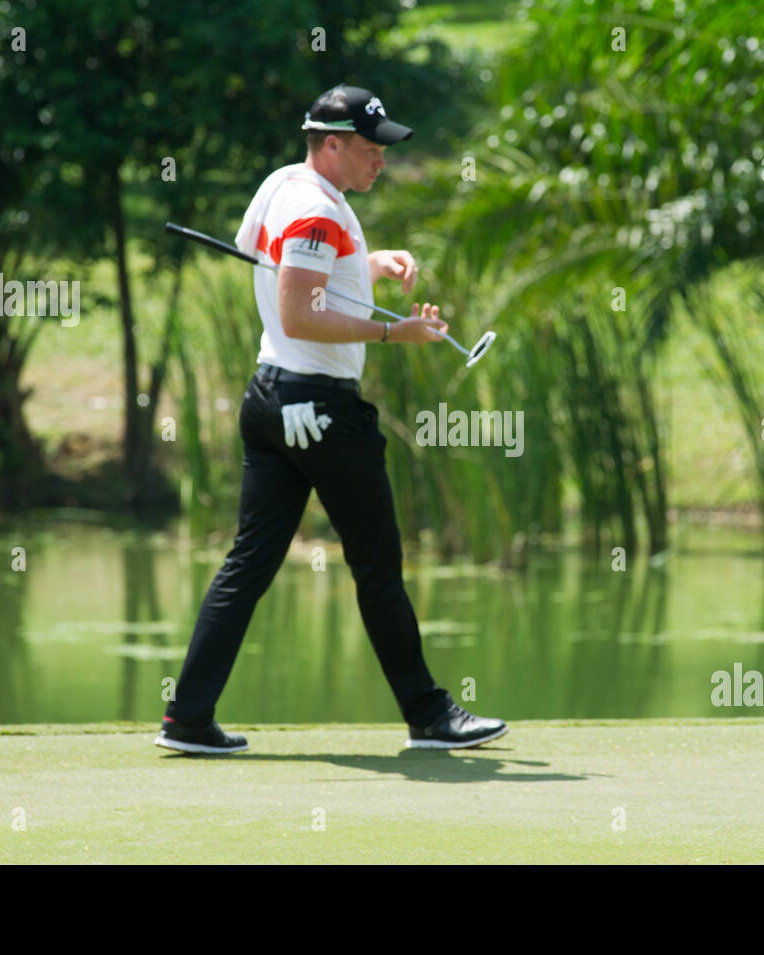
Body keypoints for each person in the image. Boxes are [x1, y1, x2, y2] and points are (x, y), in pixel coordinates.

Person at [155, 84, 507, 754]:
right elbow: (298, 312)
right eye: (371, 148)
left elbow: (296, 270)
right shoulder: (319, 210)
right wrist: (390, 334)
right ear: (333, 142)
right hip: (319, 408)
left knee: (249, 562)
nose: (382, 160)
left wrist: (366, 266)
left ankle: (187, 716)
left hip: (271, 398)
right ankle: (429, 715)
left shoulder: (287, 185)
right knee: (377, 563)